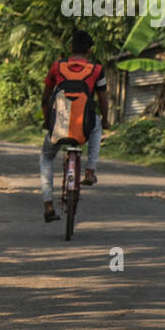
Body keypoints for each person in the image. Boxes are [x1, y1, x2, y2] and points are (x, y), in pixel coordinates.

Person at [40, 30, 108, 222]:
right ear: (89, 50)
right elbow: (103, 100)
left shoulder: (57, 67)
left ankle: (47, 204)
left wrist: (48, 121)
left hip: (59, 126)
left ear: (70, 48)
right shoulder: (96, 70)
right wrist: (106, 119)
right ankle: (90, 170)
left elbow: (45, 98)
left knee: (46, 158)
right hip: (84, 125)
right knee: (97, 125)